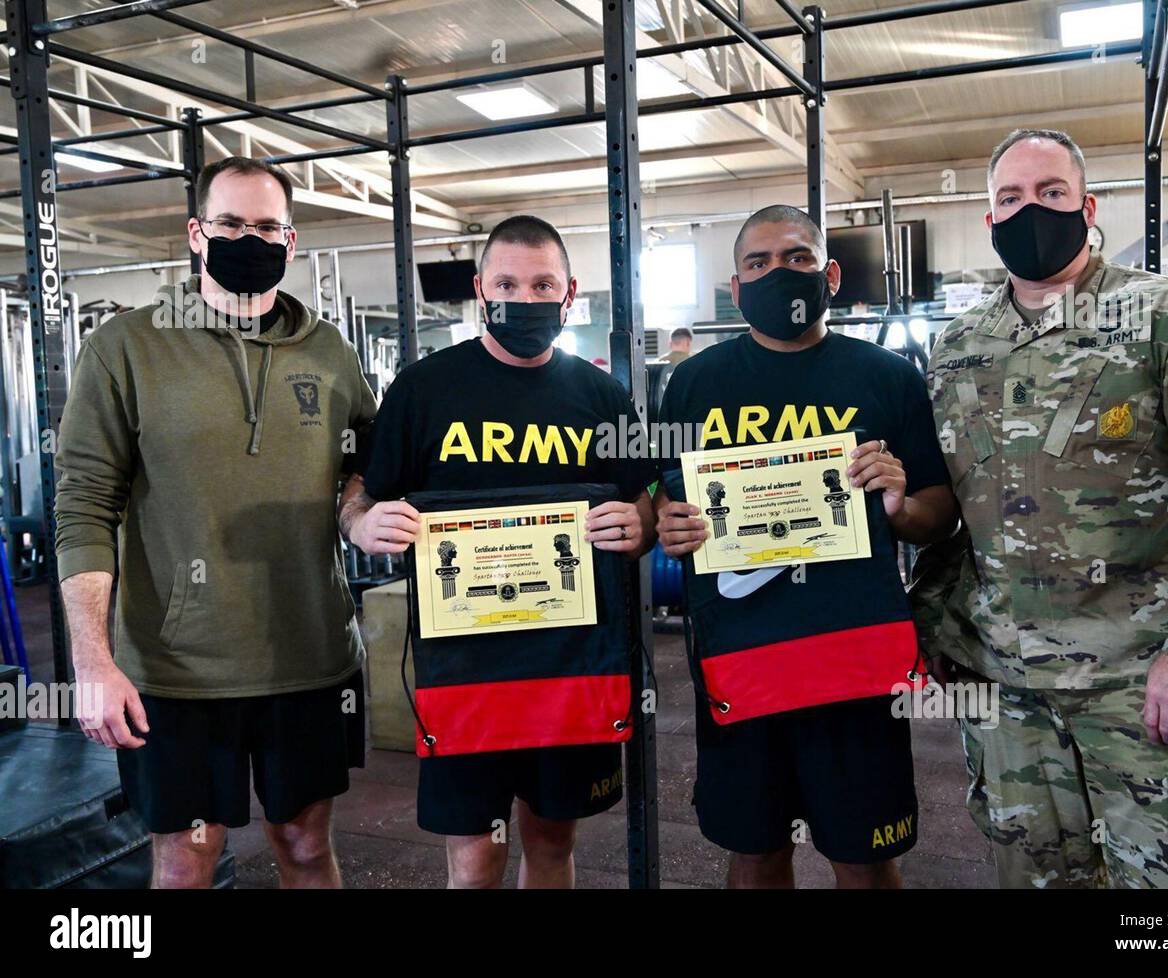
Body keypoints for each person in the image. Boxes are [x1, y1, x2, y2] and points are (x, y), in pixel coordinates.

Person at [911, 127, 1168, 888]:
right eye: (1011, 199)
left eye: (1051, 193)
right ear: (989, 222)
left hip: (1144, 683)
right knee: (1038, 877)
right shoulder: (959, 347)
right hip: (1008, 689)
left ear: (1087, 207)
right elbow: (956, 508)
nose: (1031, 212)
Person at [55, 157, 377, 888]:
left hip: (309, 654)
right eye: (230, 223)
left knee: (302, 842)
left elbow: (363, 464)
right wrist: (92, 663)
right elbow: (83, 504)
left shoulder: (328, 351)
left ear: (290, 241)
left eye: (266, 226)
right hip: (176, 671)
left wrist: (356, 513)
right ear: (197, 234)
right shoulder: (126, 348)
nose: (248, 238)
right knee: (187, 856)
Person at [339, 214, 656, 889]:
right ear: (481, 289)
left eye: (543, 284)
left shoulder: (602, 397)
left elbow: (645, 501)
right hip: (465, 669)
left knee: (550, 843)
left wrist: (641, 524)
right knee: (474, 858)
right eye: (508, 282)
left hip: (571, 667)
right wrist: (362, 524)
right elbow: (363, 491)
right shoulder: (424, 390)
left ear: (570, 295)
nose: (525, 298)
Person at [654, 204, 957, 888]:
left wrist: (900, 503)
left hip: (853, 658)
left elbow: (940, 516)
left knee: (864, 856)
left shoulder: (888, 376)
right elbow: (663, 496)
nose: (777, 273)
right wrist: (667, 521)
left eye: (796, 257)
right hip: (740, 656)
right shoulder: (695, 383)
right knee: (756, 852)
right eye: (758, 263)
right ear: (737, 288)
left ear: (831, 274)